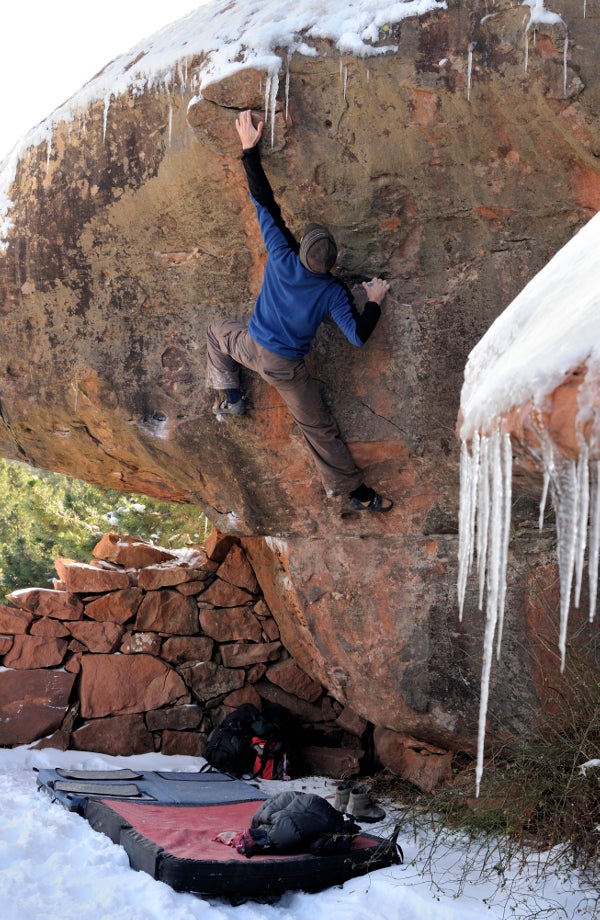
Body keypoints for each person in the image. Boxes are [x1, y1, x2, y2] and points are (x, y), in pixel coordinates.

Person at [206, 109, 393, 514]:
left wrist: (249, 151)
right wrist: (374, 300)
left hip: (251, 347)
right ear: (331, 262)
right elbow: (358, 336)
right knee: (318, 429)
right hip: (286, 369)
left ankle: (231, 395)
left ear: (300, 245)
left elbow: (263, 201)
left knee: (216, 331)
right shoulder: (332, 292)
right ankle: (358, 494)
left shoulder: (280, 254)